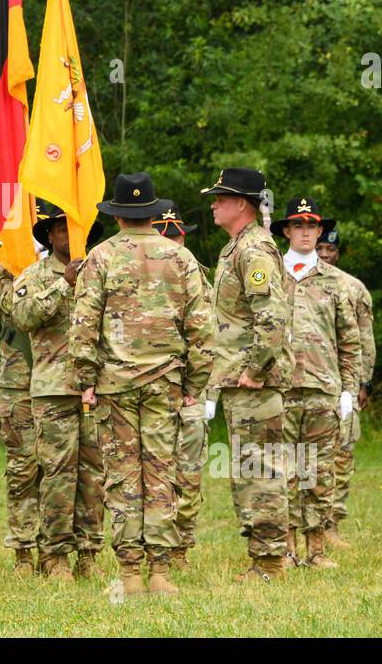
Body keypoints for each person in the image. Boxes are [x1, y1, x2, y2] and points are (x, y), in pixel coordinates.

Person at [70, 173, 212, 597]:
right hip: (165, 383)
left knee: (122, 476)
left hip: (114, 384)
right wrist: (194, 383)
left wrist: (84, 380)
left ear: (116, 216)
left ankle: (131, 572)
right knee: (161, 472)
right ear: (152, 213)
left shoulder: (100, 257)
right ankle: (160, 573)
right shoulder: (181, 259)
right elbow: (201, 328)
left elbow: (83, 324)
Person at [199, 167, 293, 582]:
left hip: (254, 381)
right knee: (246, 468)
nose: (214, 204)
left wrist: (256, 369)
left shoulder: (254, 250)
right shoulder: (236, 248)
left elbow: (272, 316)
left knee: (261, 469)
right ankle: (262, 558)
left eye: (221, 197)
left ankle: (272, 561)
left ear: (242, 204)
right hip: (239, 379)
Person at [11, 202, 105, 580]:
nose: (70, 236)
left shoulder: (99, 273)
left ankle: (89, 554)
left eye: (76, 229)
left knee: (94, 476)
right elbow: (23, 317)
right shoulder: (32, 276)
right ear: (50, 236)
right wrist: (63, 284)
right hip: (53, 389)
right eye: (63, 229)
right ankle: (54, 556)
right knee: (57, 475)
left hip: (95, 389)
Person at [270, 197, 360, 568]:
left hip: (323, 387)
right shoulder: (271, 273)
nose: (306, 232)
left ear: (320, 231)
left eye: (312, 227)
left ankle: (317, 550)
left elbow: (349, 339)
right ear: (287, 231)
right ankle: (287, 550)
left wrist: (348, 390)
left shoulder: (337, 282)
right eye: (298, 226)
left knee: (321, 472)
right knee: (283, 469)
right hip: (281, 387)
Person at [151, 198, 212, 568]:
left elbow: (206, 334)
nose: (175, 244)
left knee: (188, 472)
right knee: (151, 472)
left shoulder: (197, 275)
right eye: (166, 236)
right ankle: (151, 546)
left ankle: (180, 548)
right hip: (150, 386)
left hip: (187, 390)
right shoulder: (138, 276)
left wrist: (199, 388)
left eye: (180, 237)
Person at [314, 226, 375, 548]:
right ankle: (305, 525)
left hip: (343, 383)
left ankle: (331, 523)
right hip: (308, 382)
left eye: (330, 249)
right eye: (320, 248)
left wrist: (364, 381)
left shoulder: (352, 288)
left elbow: (364, 338)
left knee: (342, 454)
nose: (325, 254)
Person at [0, 260, 40, 575]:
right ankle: (23, 552)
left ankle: (57, 551)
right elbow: (15, 313)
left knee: (64, 471)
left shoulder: (75, 266)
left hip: (62, 381)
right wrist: (27, 268)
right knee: (23, 471)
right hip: (20, 385)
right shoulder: (2, 275)